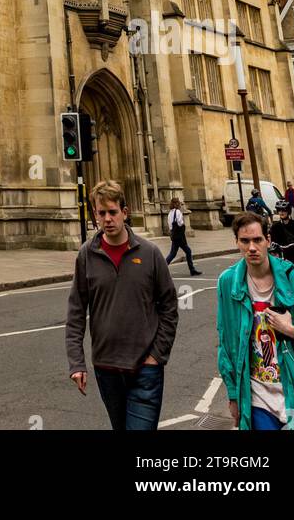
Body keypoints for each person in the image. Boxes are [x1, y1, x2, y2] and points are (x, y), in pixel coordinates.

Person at [66, 178, 178, 430]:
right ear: (94, 214)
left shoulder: (149, 253)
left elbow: (169, 306)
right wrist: (76, 362)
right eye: (101, 212)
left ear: (124, 213)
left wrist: (157, 355)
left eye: (113, 212)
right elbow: (75, 312)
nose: (107, 218)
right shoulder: (86, 255)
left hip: (145, 368)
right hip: (106, 367)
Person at [217, 210, 294, 430]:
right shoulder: (228, 283)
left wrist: (293, 332)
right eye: (245, 241)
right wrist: (234, 395)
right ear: (236, 242)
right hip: (256, 397)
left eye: (257, 240)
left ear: (268, 240)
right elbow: (226, 344)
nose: (252, 248)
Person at [165, 196, 202, 276]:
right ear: (176, 204)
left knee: (173, 253)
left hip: (174, 235)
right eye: (178, 202)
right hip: (179, 236)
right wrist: (182, 224)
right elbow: (180, 223)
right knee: (188, 251)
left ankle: (162, 269)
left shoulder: (170, 213)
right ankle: (192, 270)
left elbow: (170, 225)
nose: (179, 204)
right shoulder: (177, 212)